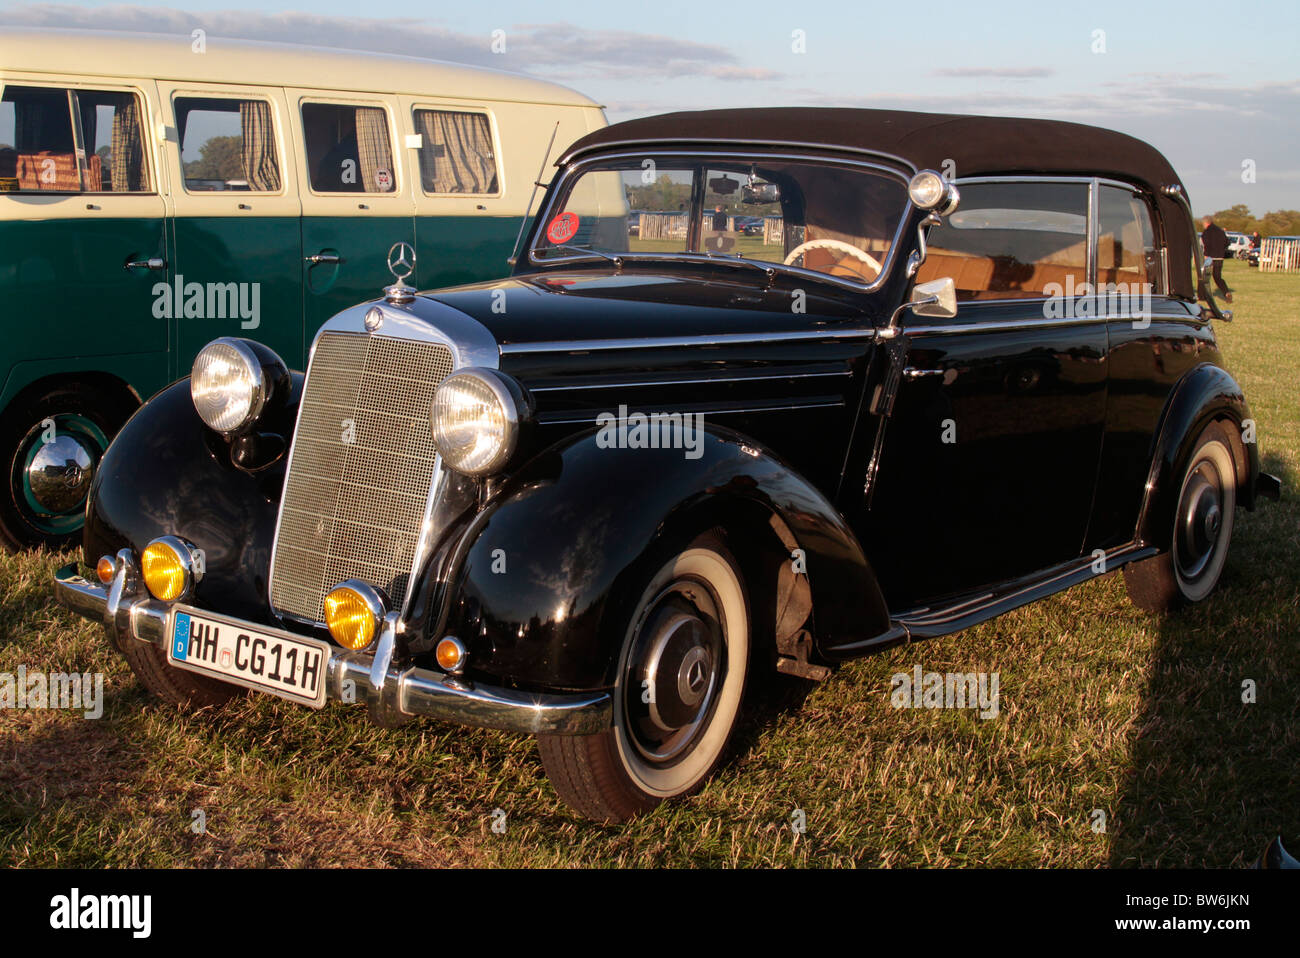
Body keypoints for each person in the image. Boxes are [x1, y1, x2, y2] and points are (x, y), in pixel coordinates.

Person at [1200, 216, 1232, 303]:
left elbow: (1206, 244)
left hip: (1210, 257)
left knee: (1204, 277)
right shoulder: (1220, 231)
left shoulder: (1207, 232)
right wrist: (1221, 250)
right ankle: (1226, 292)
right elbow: (1227, 242)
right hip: (1220, 257)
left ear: (1206, 223)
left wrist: (1206, 255)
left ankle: (1202, 296)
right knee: (1217, 277)